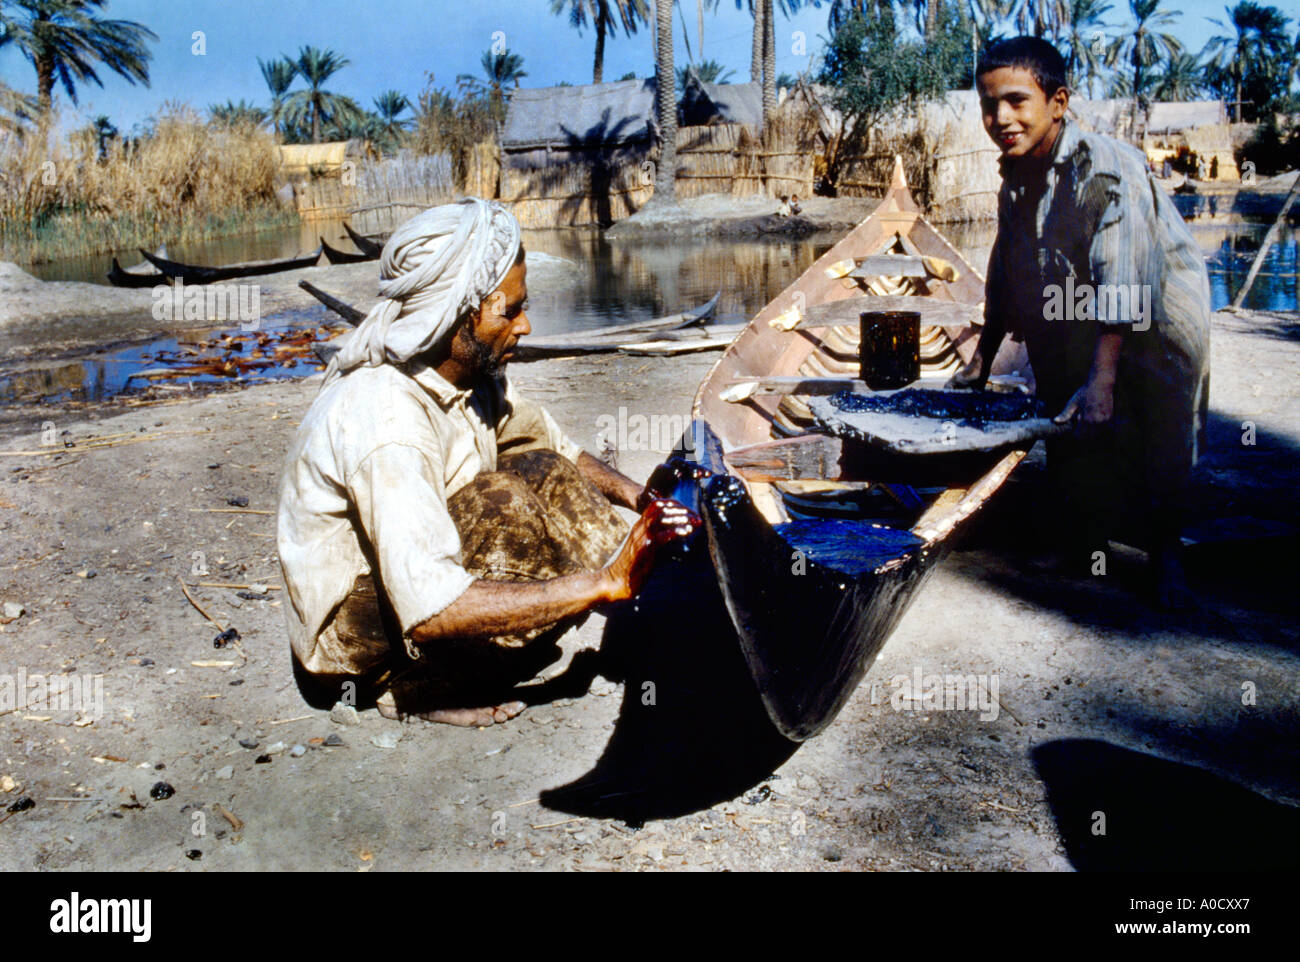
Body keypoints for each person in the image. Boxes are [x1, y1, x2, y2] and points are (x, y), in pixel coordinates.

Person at [277, 199, 697, 727]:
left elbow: (558, 451)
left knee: (544, 469)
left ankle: (654, 602)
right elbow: (430, 607)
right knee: (507, 504)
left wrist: (644, 500)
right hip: (352, 647)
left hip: (417, 581)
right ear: (457, 313)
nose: (525, 324)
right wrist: (597, 582)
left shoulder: (468, 372)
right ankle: (414, 688)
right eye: (510, 309)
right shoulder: (386, 419)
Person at [947, 37, 1210, 605]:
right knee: (1066, 412)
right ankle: (1084, 544)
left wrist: (1104, 378)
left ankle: (1167, 556)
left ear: (1058, 102)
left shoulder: (1107, 168)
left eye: (1018, 101)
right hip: (1077, 304)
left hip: (1157, 306)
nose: (1000, 118)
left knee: (1159, 426)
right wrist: (980, 359)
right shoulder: (1016, 175)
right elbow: (1005, 268)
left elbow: (1124, 274)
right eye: (989, 105)